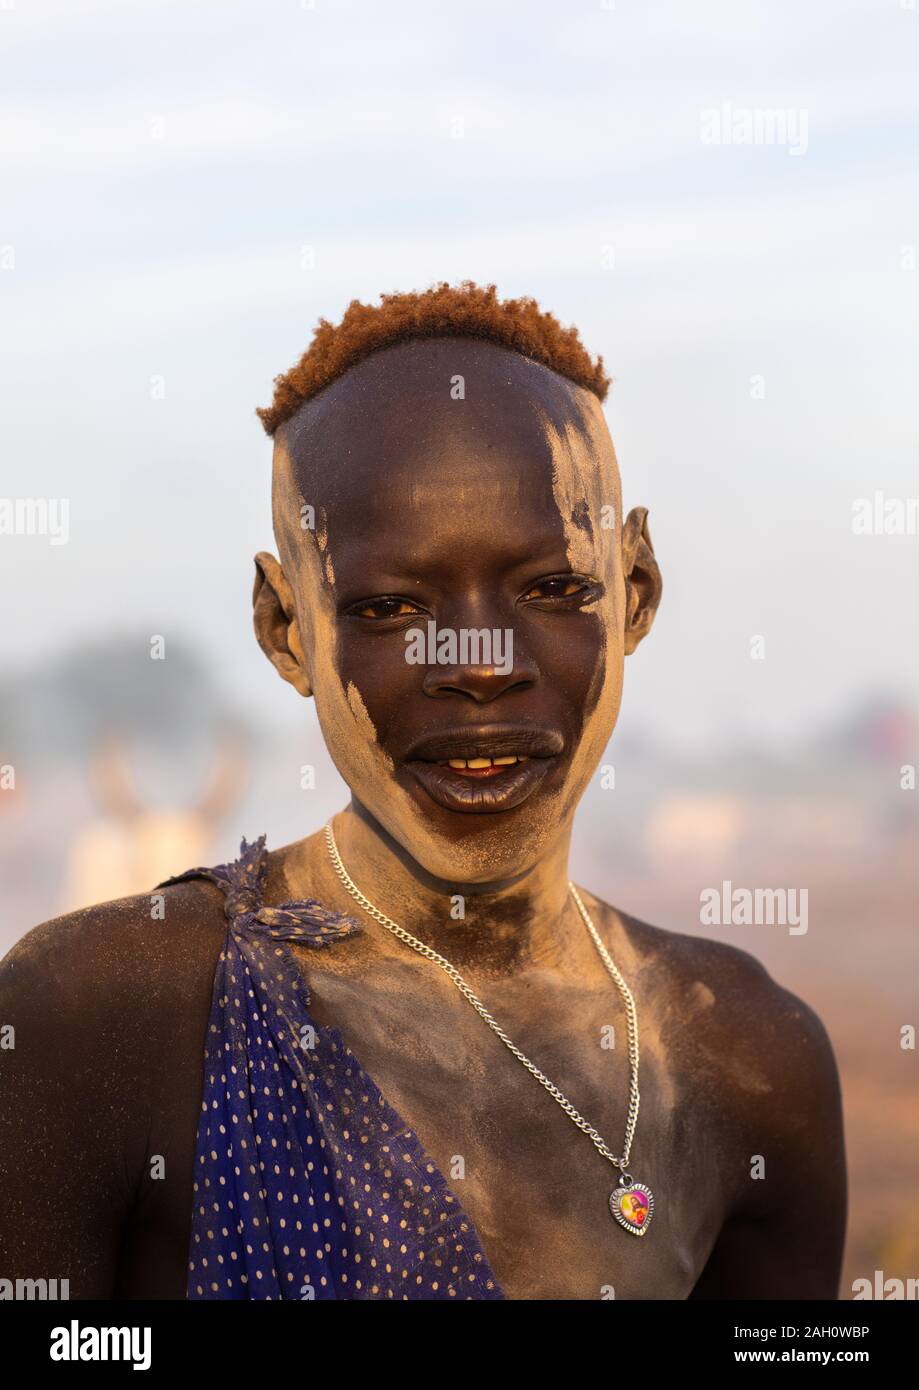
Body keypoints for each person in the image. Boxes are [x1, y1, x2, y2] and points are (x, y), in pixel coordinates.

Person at [0, 282, 846, 1299]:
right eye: (390, 606)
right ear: (286, 628)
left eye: (554, 589)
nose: (479, 663)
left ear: (634, 591)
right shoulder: (107, 1011)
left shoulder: (746, 1061)